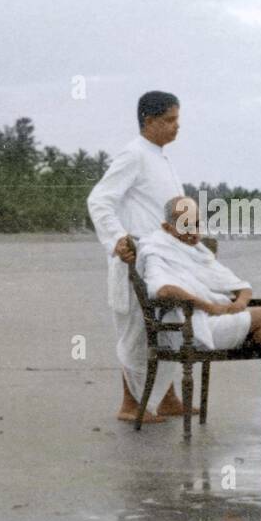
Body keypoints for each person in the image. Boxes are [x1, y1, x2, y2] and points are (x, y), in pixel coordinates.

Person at [136, 195, 261, 446]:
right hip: (193, 330)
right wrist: (209, 305)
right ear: (167, 228)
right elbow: (163, 290)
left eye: (197, 224)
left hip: (218, 322)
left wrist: (239, 305)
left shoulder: (198, 251)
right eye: (186, 226)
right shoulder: (156, 249)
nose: (194, 232)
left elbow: (241, 286)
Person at [86, 91, 187, 424]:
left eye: (177, 119)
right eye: (170, 120)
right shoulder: (133, 154)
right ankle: (130, 404)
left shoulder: (159, 157)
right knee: (138, 332)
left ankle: (167, 398)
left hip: (165, 258)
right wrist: (118, 240)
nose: (176, 126)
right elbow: (99, 200)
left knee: (170, 327)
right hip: (137, 258)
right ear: (149, 120)